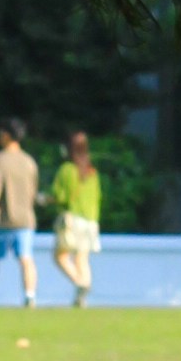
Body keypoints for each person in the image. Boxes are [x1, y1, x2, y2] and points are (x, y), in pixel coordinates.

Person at [0, 117, 41, 304]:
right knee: (26, 259)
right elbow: (33, 191)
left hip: (3, 221)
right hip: (26, 219)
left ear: (6, 135)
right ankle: (30, 296)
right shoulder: (29, 162)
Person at [50, 129, 105, 306]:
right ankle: (82, 298)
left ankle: (80, 283)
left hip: (73, 219)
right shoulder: (92, 172)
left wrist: (45, 199)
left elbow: (60, 196)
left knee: (60, 256)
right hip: (91, 220)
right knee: (82, 258)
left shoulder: (66, 169)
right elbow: (98, 197)